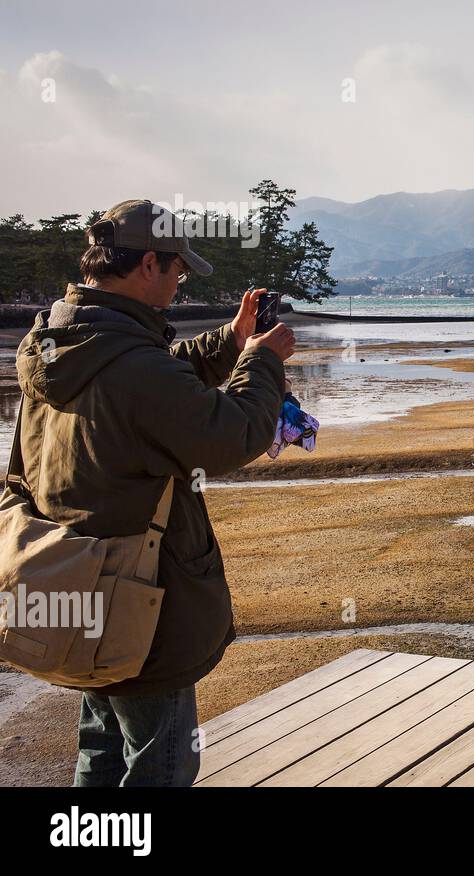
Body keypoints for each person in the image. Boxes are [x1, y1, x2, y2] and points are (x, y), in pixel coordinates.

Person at [12, 199, 295, 786]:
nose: (180, 281)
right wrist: (261, 362)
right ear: (148, 264)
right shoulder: (131, 364)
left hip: (73, 577)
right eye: (178, 270)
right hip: (139, 591)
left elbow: (157, 378)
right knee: (163, 761)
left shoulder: (56, 343)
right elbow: (231, 434)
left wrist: (231, 339)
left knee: (102, 743)